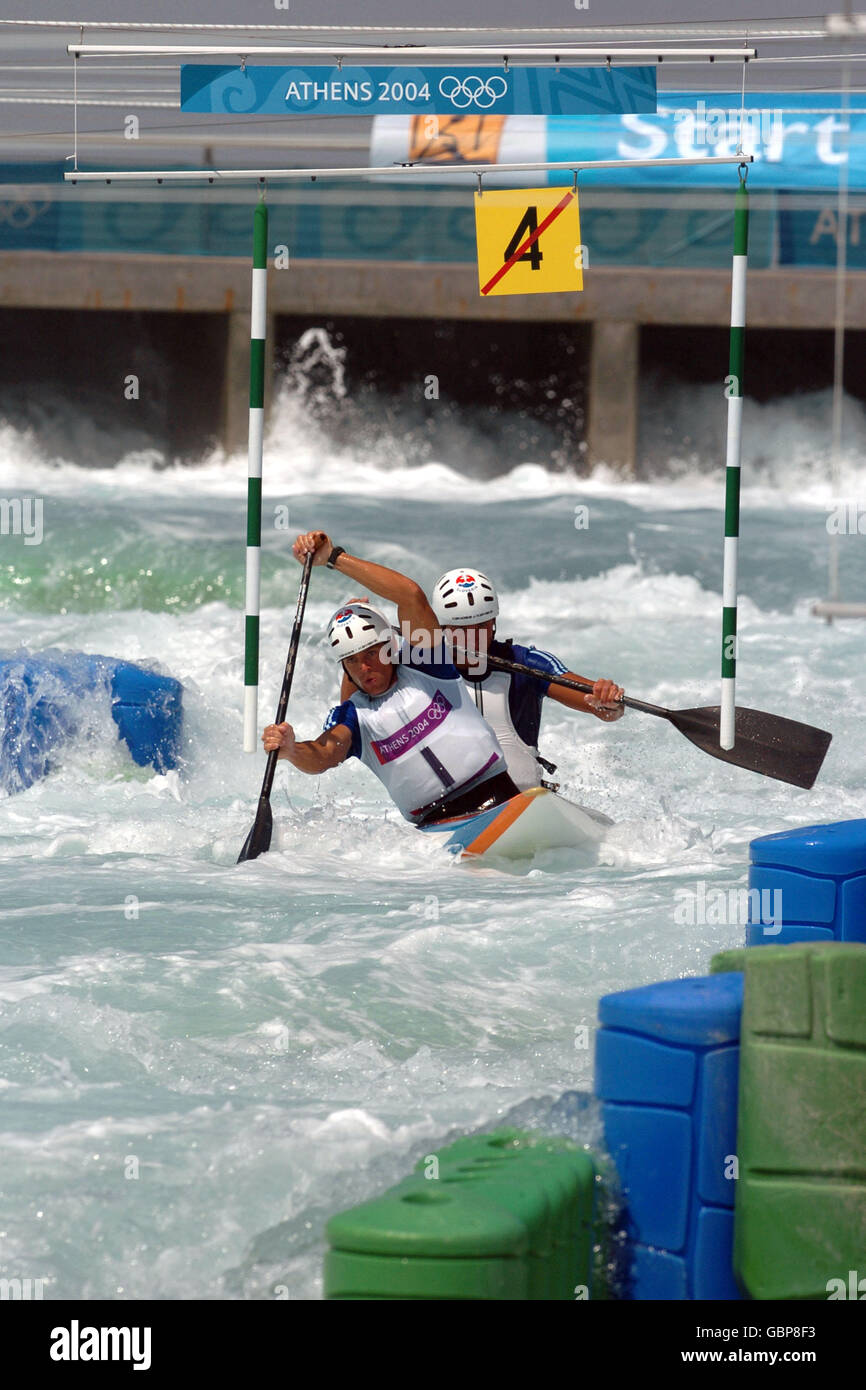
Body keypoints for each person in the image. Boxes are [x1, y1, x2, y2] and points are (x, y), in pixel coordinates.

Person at [261, 533, 520, 826]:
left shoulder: (428, 664)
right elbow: (323, 754)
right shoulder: (354, 716)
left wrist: (334, 558)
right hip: (438, 827)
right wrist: (293, 750)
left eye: (372, 654)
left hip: (501, 797)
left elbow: (410, 595)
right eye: (353, 660)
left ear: (391, 646)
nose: (364, 668)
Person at [428, 567, 625, 790]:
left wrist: (608, 700)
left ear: (494, 623)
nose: (475, 638)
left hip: (525, 800)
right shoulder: (423, 670)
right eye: (462, 628)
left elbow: (606, 710)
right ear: (442, 627)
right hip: (455, 806)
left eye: (482, 625)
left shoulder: (527, 663)